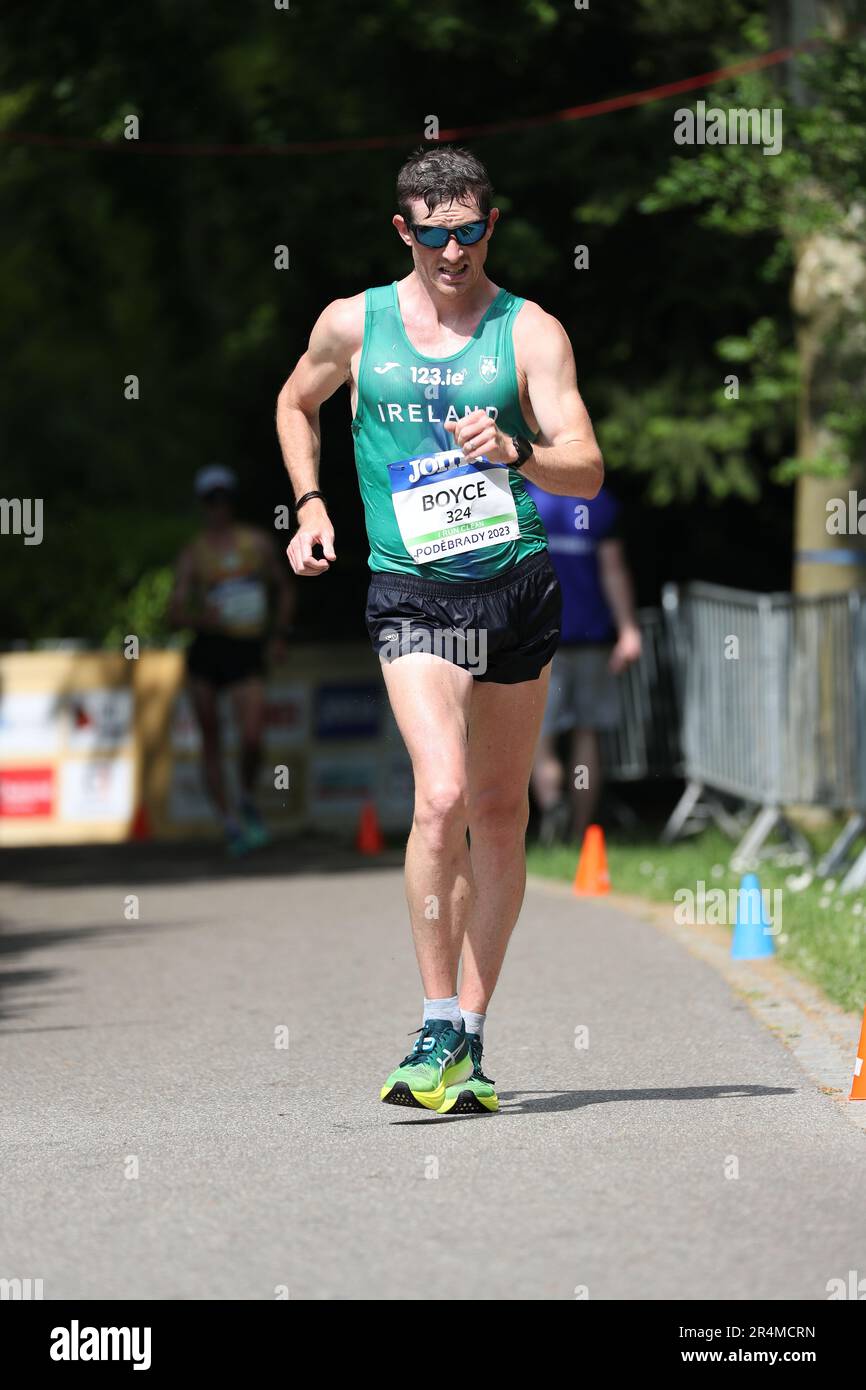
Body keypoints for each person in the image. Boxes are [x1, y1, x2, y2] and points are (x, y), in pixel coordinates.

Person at [276, 145, 603, 1114]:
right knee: (441, 794)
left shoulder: (528, 332)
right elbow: (296, 403)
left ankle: (466, 1030)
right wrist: (310, 504)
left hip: (513, 583)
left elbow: (585, 467)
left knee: (498, 810)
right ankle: (428, 1016)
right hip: (413, 589)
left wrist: (520, 449)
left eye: (468, 231)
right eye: (433, 233)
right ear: (402, 229)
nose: (452, 250)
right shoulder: (353, 323)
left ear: (489, 225)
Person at [169, 465, 295, 856]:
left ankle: (243, 797)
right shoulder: (193, 554)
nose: (218, 507)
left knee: (253, 735)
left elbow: (285, 589)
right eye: (211, 500)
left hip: (247, 649)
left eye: (223, 498)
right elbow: (174, 611)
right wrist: (197, 617)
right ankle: (229, 824)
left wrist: (278, 635)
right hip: (208, 650)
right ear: (203, 506)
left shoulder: (255, 543)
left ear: (232, 501)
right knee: (211, 739)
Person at [523, 483, 642, 845]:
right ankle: (580, 832)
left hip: (540, 636)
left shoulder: (523, 495)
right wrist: (628, 629)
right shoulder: (598, 501)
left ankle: (552, 805)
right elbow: (613, 571)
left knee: (539, 736)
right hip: (592, 635)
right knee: (587, 733)